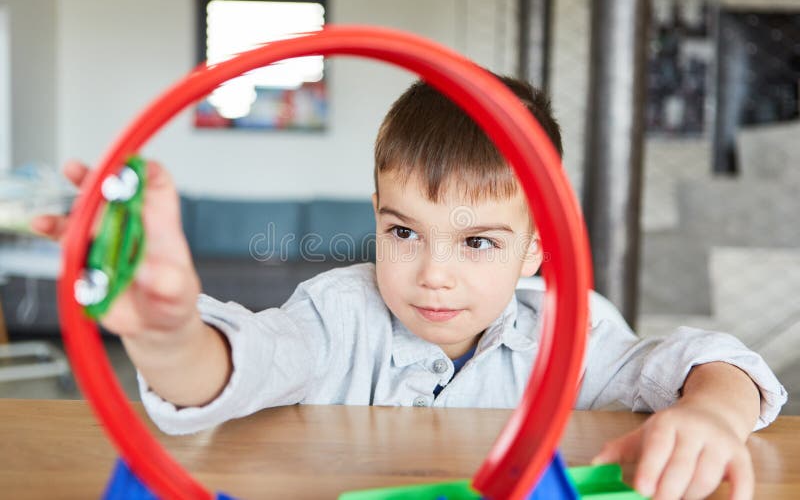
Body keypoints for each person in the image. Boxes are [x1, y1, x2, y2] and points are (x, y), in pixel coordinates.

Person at [33, 76, 786, 500]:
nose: (432, 272)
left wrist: (715, 414)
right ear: (376, 221)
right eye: (404, 233)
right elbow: (243, 362)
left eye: (478, 242)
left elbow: (703, 359)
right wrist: (166, 335)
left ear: (539, 248)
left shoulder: (574, 330)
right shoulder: (339, 313)